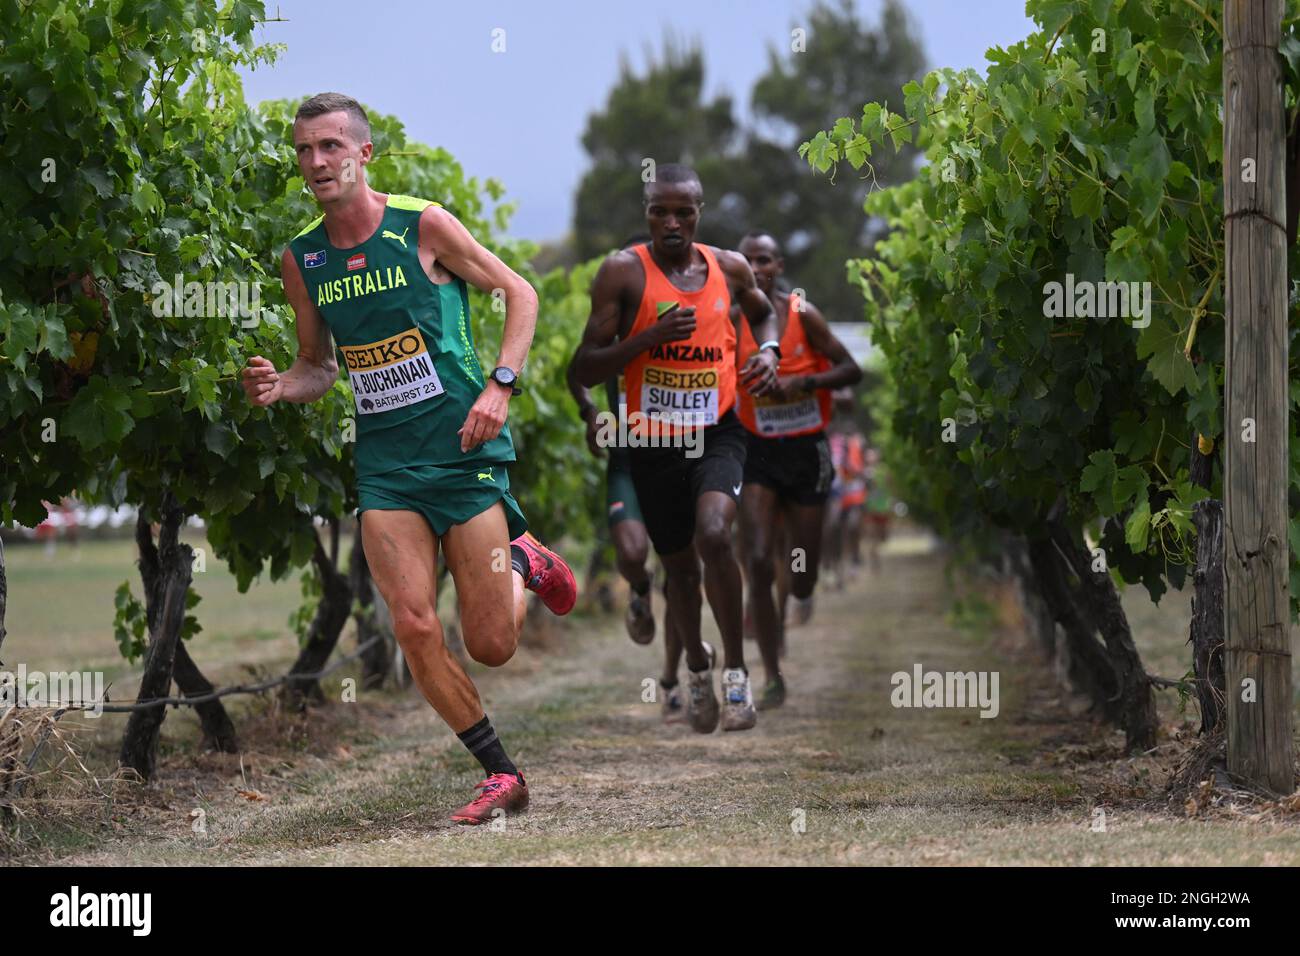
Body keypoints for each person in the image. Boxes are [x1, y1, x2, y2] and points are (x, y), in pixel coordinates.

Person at [241, 93, 576, 825]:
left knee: (491, 644)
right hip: (387, 466)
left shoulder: (421, 225)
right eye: (304, 150)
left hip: (462, 452)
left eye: (331, 147)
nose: (317, 163)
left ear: (365, 153)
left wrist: (501, 385)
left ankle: (525, 563)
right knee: (416, 624)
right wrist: (280, 387)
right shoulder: (304, 259)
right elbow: (318, 366)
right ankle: (501, 774)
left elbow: (518, 292)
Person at [572, 165, 780, 733]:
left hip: (717, 431)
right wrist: (646, 340)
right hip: (651, 443)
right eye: (659, 211)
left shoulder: (729, 268)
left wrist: (770, 353)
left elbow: (764, 314)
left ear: (699, 212)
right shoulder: (622, 273)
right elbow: (583, 366)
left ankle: (736, 677)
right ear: (646, 213)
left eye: (683, 212)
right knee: (680, 572)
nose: (671, 222)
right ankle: (695, 670)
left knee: (715, 533)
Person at [733, 232, 862, 709]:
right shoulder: (729, 320)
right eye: (745, 260)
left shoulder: (802, 312)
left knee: (801, 569)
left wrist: (803, 382)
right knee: (761, 558)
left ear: (778, 264)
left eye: (763, 259)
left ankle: (801, 593)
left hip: (808, 450)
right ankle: (772, 673)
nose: (755, 266)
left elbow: (851, 370)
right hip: (756, 450)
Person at [566, 236, 685, 723]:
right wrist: (590, 412)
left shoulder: (707, 321)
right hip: (631, 454)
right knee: (633, 553)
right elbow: (577, 370)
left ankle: (676, 679)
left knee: (683, 578)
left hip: (689, 457)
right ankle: (638, 590)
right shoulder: (618, 323)